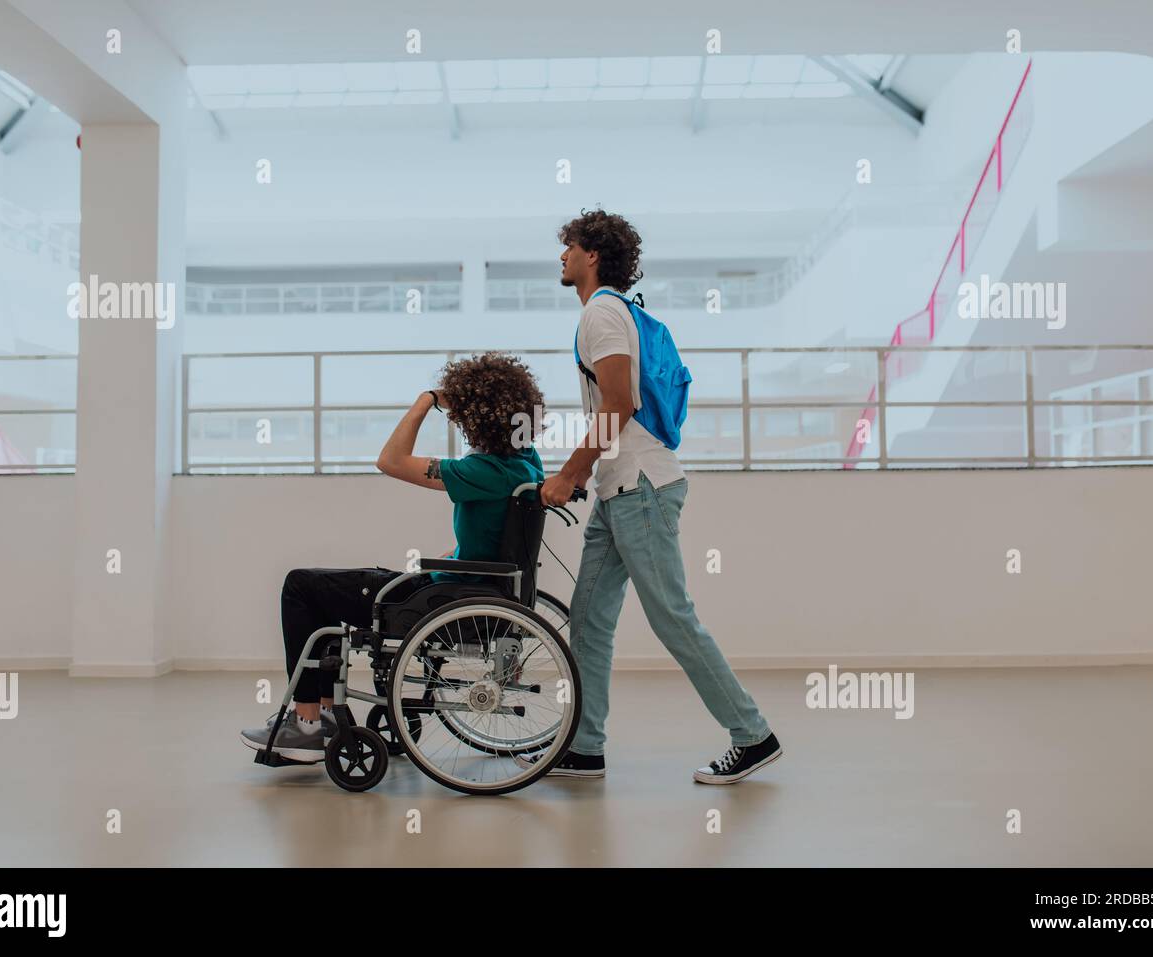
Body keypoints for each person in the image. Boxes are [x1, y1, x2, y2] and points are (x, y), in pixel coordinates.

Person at [535, 208, 781, 784]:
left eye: (568, 247)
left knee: (672, 616)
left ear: (592, 254)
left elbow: (619, 403)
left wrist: (568, 473)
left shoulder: (602, 313)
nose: (562, 256)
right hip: (619, 488)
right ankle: (585, 746)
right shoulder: (614, 313)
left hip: (640, 487)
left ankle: (753, 735)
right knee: (590, 620)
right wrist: (586, 478)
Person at [242, 352, 545, 761]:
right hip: (470, 584)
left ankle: (310, 722)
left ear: (477, 419)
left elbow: (390, 460)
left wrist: (426, 401)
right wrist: (460, 556)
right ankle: (323, 715)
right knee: (326, 590)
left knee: (301, 585)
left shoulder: (483, 471)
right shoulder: (527, 464)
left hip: (443, 596)